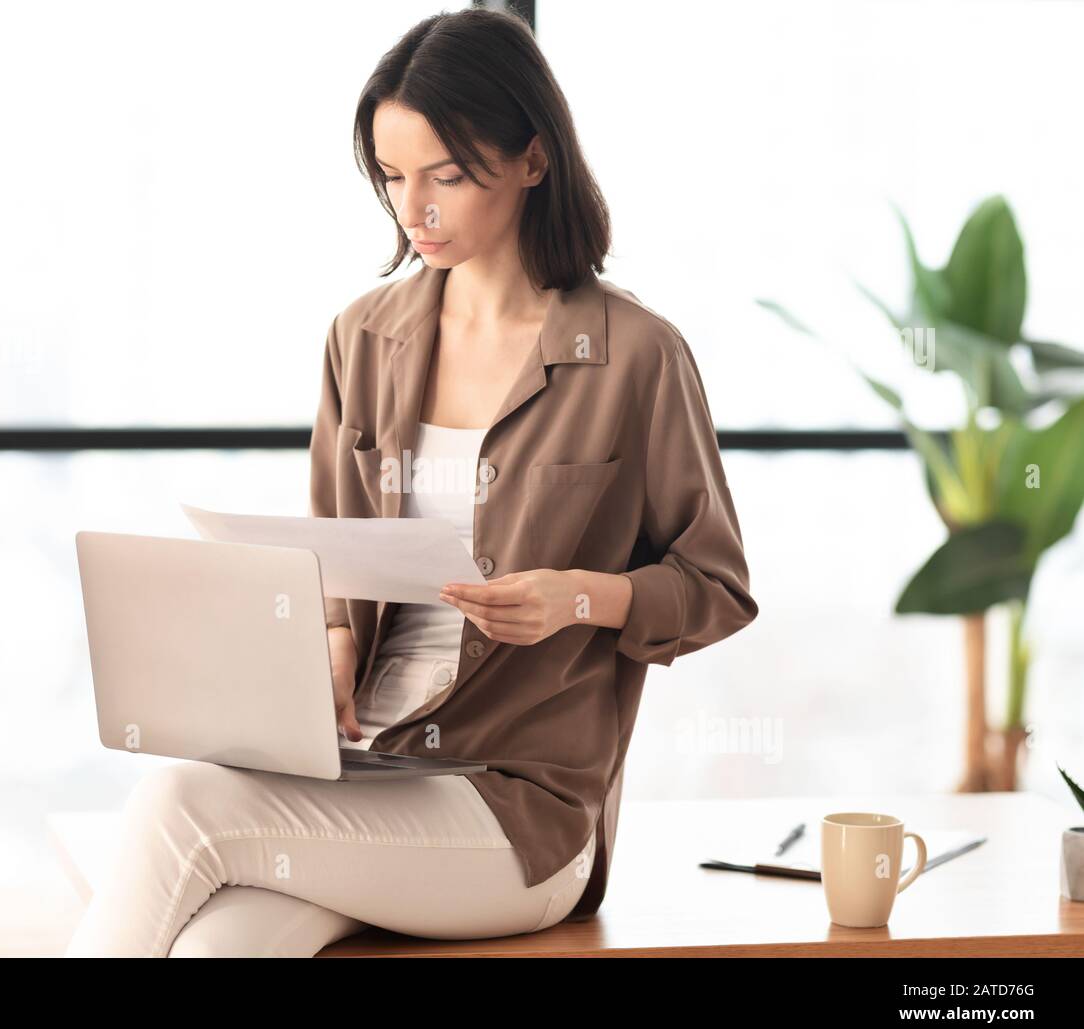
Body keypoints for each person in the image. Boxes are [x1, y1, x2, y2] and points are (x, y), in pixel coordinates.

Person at [65, 7, 757, 958]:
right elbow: (330, 562)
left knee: (184, 803)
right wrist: (335, 644)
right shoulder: (363, 337)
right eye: (393, 178)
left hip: (518, 811)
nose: (414, 210)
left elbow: (717, 587)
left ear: (532, 160)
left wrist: (578, 599)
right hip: (360, 767)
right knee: (224, 948)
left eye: (447, 175)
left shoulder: (636, 357)